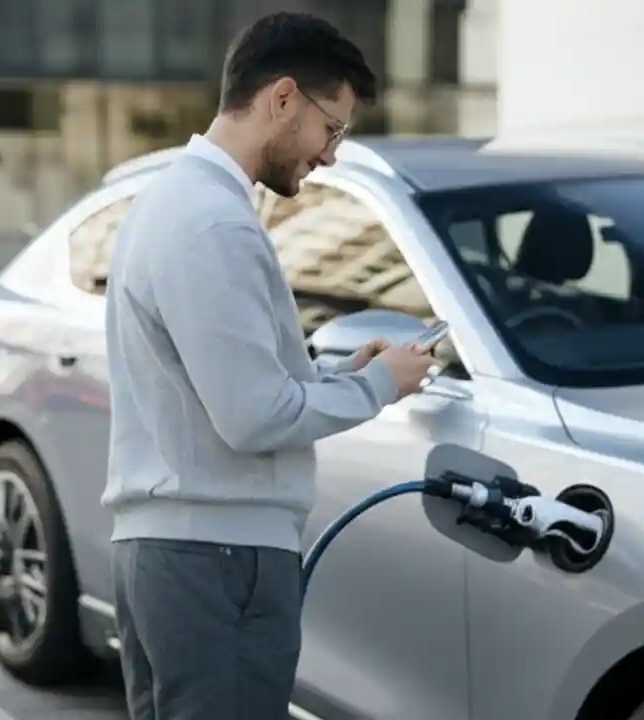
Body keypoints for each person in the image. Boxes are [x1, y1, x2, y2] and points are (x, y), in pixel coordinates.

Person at [100, 11, 438, 720]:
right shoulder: (212, 222)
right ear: (283, 98)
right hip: (218, 562)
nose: (330, 154)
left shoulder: (173, 203)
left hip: (175, 554)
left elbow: (222, 388)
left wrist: (345, 375)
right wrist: (382, 385)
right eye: (332, 128)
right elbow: (254, 418)